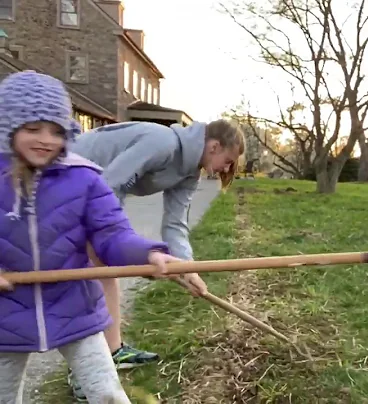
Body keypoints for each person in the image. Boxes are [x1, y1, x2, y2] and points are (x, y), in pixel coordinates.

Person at [0, 70, 181, 403]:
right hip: (5, 313)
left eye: (56, 131)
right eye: (32, 128)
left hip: (74, 305)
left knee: (106, 392)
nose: (46, 139)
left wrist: (149, 255)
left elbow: (112, 234)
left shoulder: (84, 178)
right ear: (8, 127)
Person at [66, 117, 244, 399]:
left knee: (105, 272)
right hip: (68, 173)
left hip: (93, 187)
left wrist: (188, 269)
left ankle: (113, 351)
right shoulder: (163, 142)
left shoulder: (189, 172)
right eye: (228, 160)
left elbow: (176, 225)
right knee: (94, 275)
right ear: (214, 145)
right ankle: (86, 373)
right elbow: (110, 183)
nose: (227, 168)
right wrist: (112, 236)